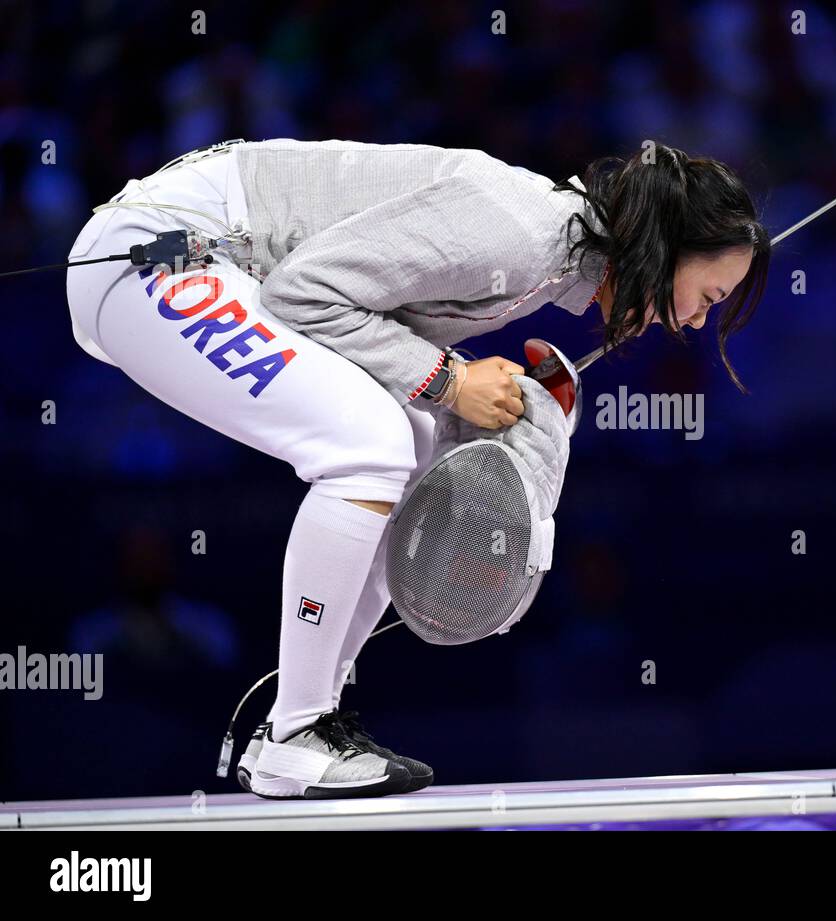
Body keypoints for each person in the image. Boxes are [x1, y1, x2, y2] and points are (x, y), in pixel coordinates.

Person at [64, 138, 770, 799]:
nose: (696, 322)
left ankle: (315, 720)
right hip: (156, 252)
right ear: (662, 245)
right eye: (706, 298)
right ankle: (295, 728)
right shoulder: (521, 232)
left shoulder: (543, 254)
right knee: (370, 441)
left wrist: (452, 386)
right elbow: (303, 292)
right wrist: (450, 379)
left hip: (206, 267)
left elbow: (361, 323)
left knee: (409, 438)